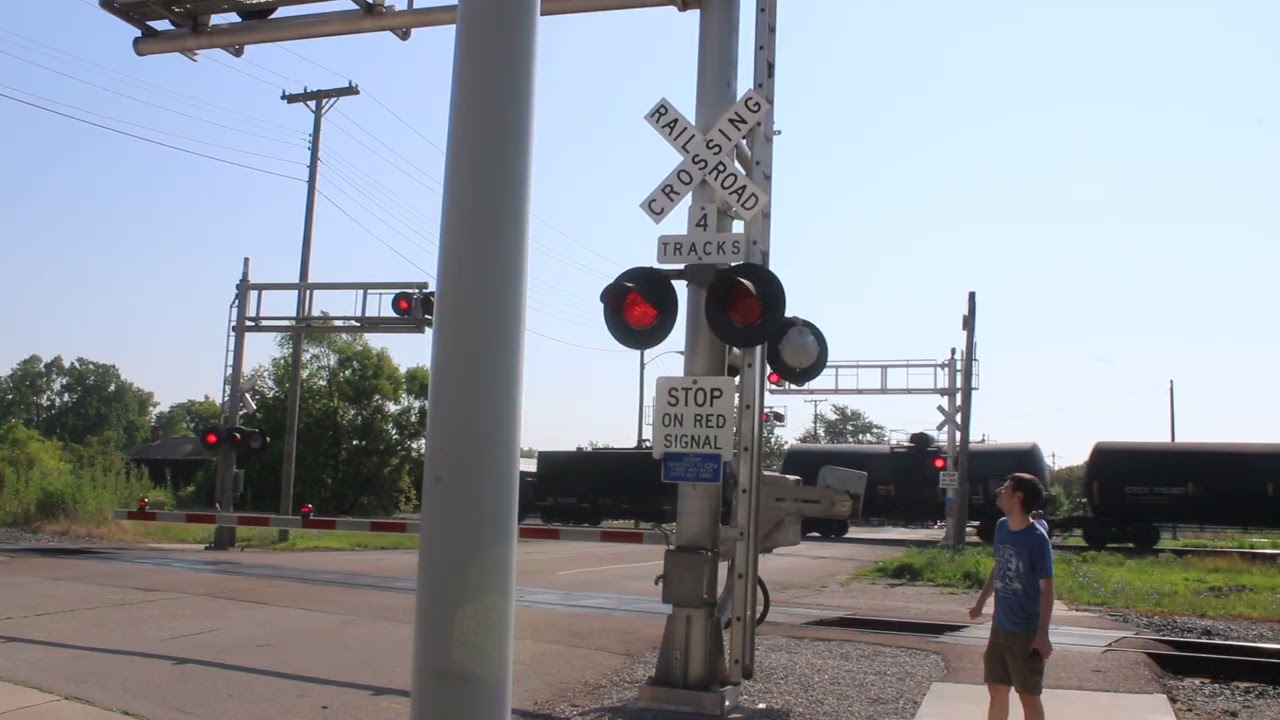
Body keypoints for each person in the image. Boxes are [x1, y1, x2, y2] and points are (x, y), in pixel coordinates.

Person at [969, 473, 1055, 720]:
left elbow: (1047, 590)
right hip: (1000, 627)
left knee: (1028, 695)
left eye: (1005, 489)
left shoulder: (1037, 540)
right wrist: (980, 603)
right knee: (996, 689)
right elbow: (999, 566)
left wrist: (1042, 635)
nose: (999, 492)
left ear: (1018, 496)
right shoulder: (1001, 527)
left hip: (1025, 632)